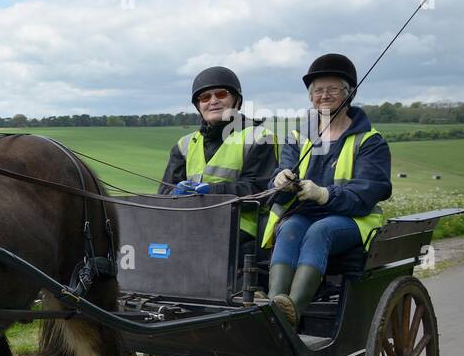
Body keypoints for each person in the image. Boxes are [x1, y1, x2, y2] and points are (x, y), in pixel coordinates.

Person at [262, 53, 392, 325]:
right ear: (310, 97)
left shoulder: (370, 141)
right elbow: (281, 172)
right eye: (317, 91)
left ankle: (292, 311)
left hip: (352, 220)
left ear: (349, 93)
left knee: (320, 230)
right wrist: (280, 180)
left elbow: (367, 193)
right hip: (303, 215)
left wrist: (324, 194)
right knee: (289, 228)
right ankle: (276, 305)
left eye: (332, 89)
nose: (324, 95)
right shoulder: (297, 136)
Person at [159, 66, 278, 245]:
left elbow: (259, 191)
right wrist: (174, 193)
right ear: (198, 106)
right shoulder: (184, 145)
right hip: (188, 225)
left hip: (239, 231)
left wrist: (212, 191)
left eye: (221, 94)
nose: (213, 101)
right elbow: (163, 194)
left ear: (236, 101)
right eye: (205, 97)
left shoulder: (260, 138)